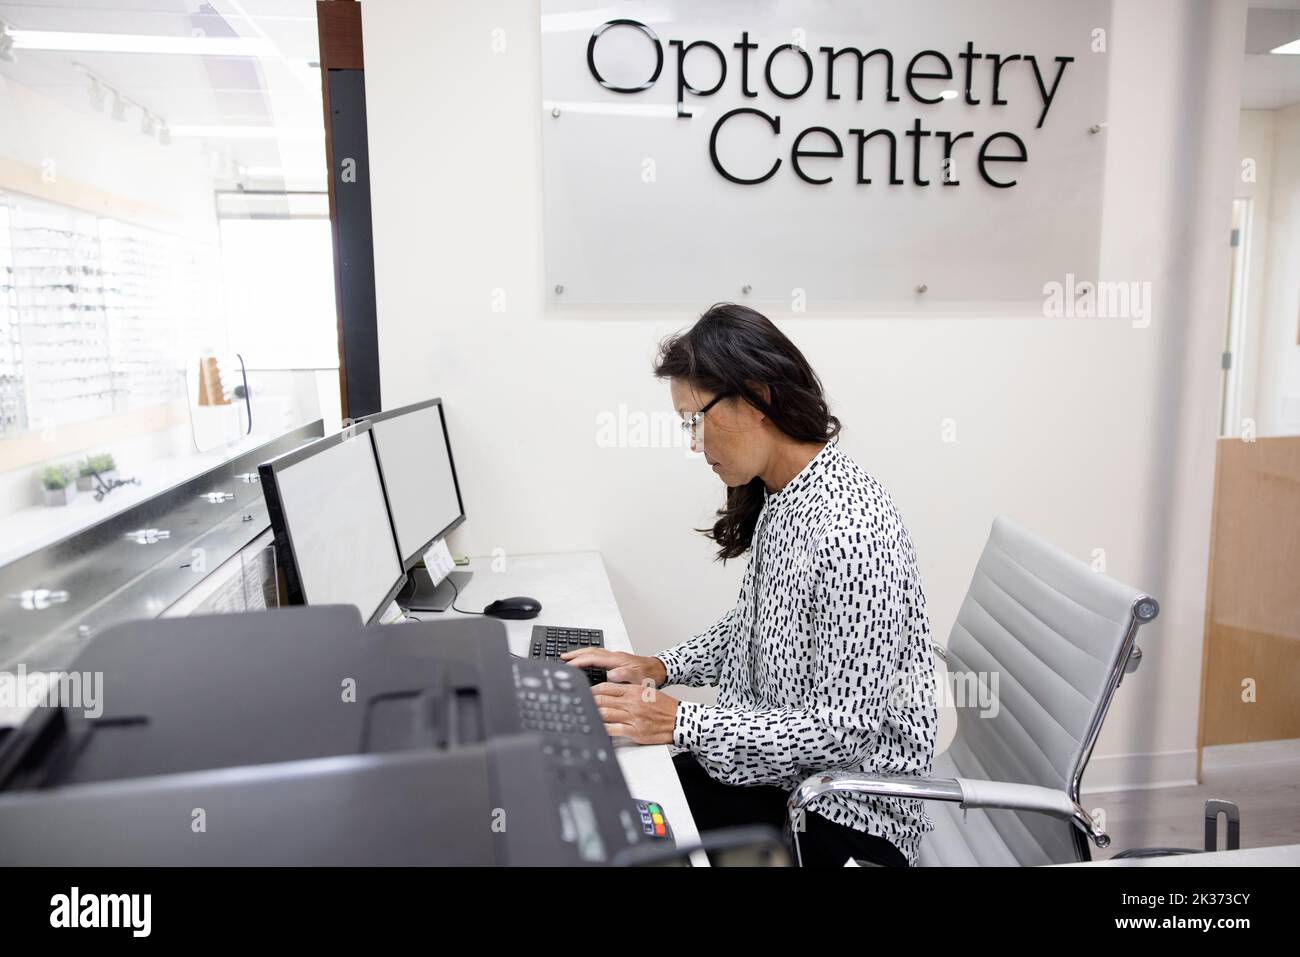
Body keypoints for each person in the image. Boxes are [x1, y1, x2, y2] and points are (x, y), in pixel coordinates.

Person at [563, 303, 937, 867]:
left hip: (840, 817)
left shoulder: (851, 531)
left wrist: (679, 720)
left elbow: (843, 733)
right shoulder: (787, 494)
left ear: (758, 397)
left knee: (617, 838)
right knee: (602, 798)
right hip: (778, 781)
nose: (694, 443)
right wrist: (659, 667)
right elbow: (757, 626)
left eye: (696, 419)